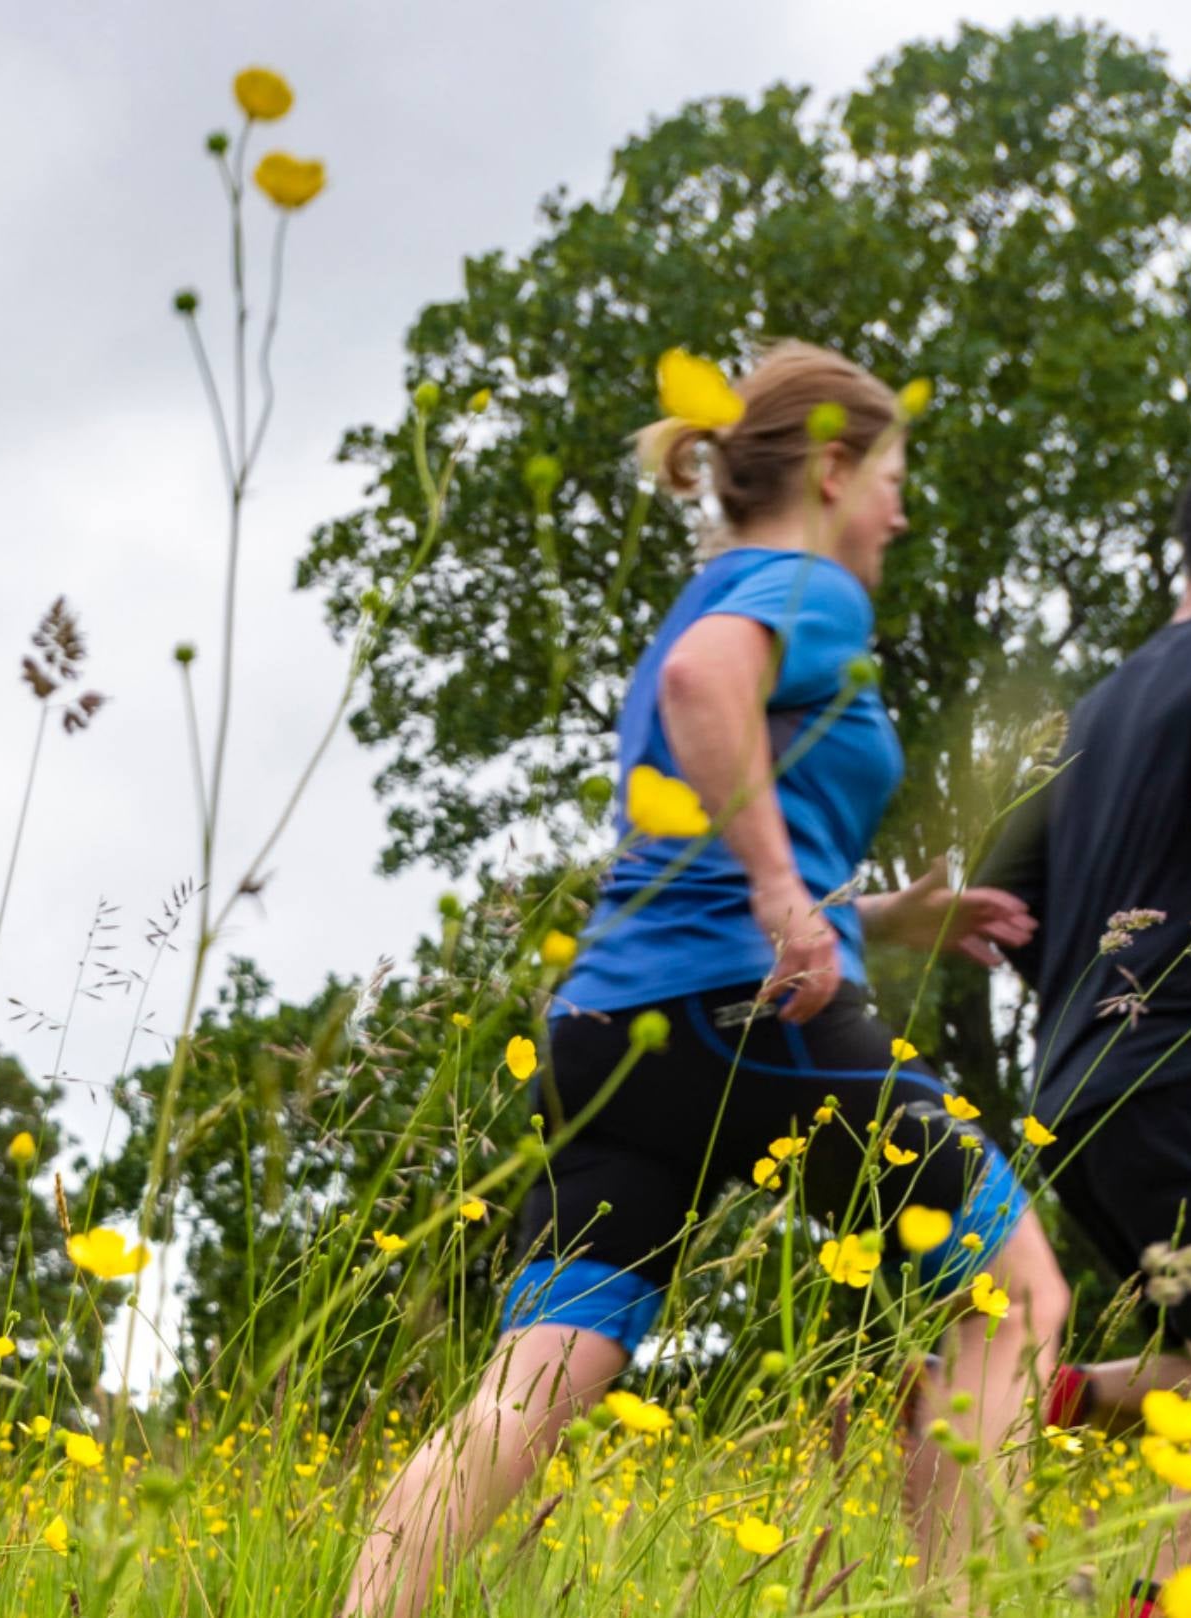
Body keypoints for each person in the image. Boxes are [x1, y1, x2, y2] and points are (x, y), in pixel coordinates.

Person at [341, 343, 1071, 1618]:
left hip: (612, 1034)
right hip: (748, 1015)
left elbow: (702, 789)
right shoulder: (805, 587)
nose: (899, 511)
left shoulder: (713, 592)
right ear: (834, 470)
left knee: (532, 1380)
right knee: (1015, 1292)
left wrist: (878, 914)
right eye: (891, 476)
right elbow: (704, 691)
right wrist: (791, 905)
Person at [978, 457, 1191, 1601]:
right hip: (1181, 1069)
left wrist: (1089, 993)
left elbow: (995, 900)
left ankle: (1069, 1395)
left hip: (1077, 1092)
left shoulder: (1096, 706)